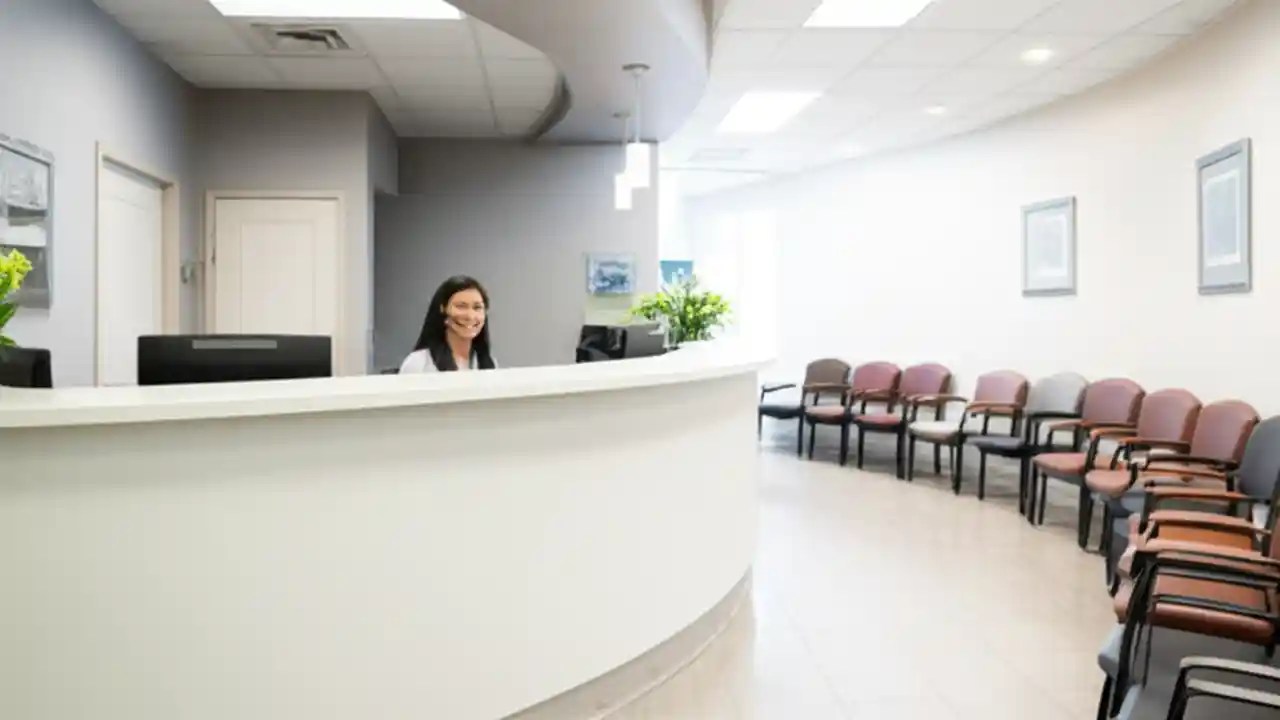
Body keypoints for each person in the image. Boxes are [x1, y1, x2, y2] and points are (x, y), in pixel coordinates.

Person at [399, 275, 498, 373]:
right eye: (461, 306)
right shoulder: (418, 363)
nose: (470, 316)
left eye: (477, 308)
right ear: (443, 309)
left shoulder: (489, 364)